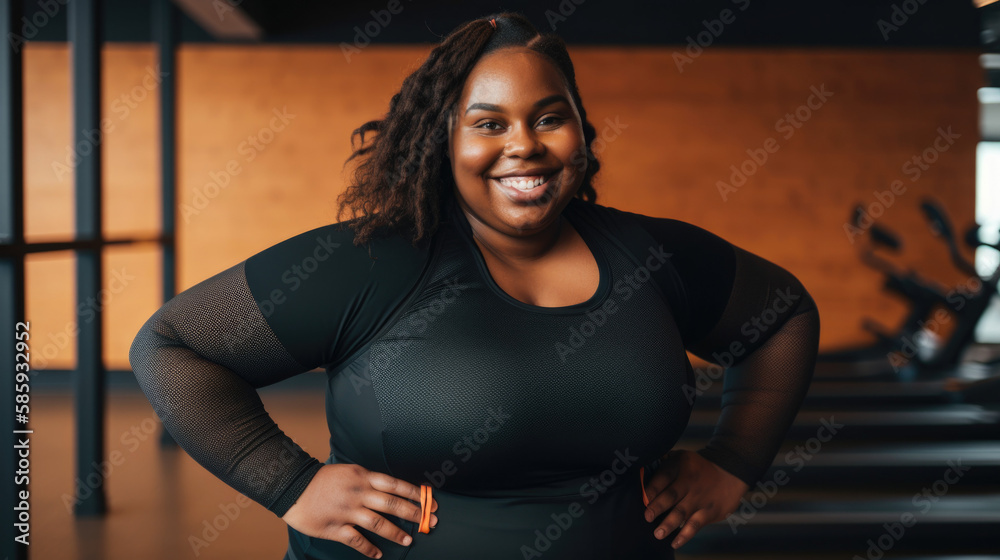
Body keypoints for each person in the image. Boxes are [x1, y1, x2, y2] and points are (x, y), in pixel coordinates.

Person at [129, 11, 820, 560]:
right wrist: (289, 483)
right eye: (489, 123)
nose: (524, 144)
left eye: (549, 118)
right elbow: (172, 345)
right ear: (443, 141)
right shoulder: (372, 262)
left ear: (581, 131)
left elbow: (783, 317)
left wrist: (735, 461)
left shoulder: (652, 255)